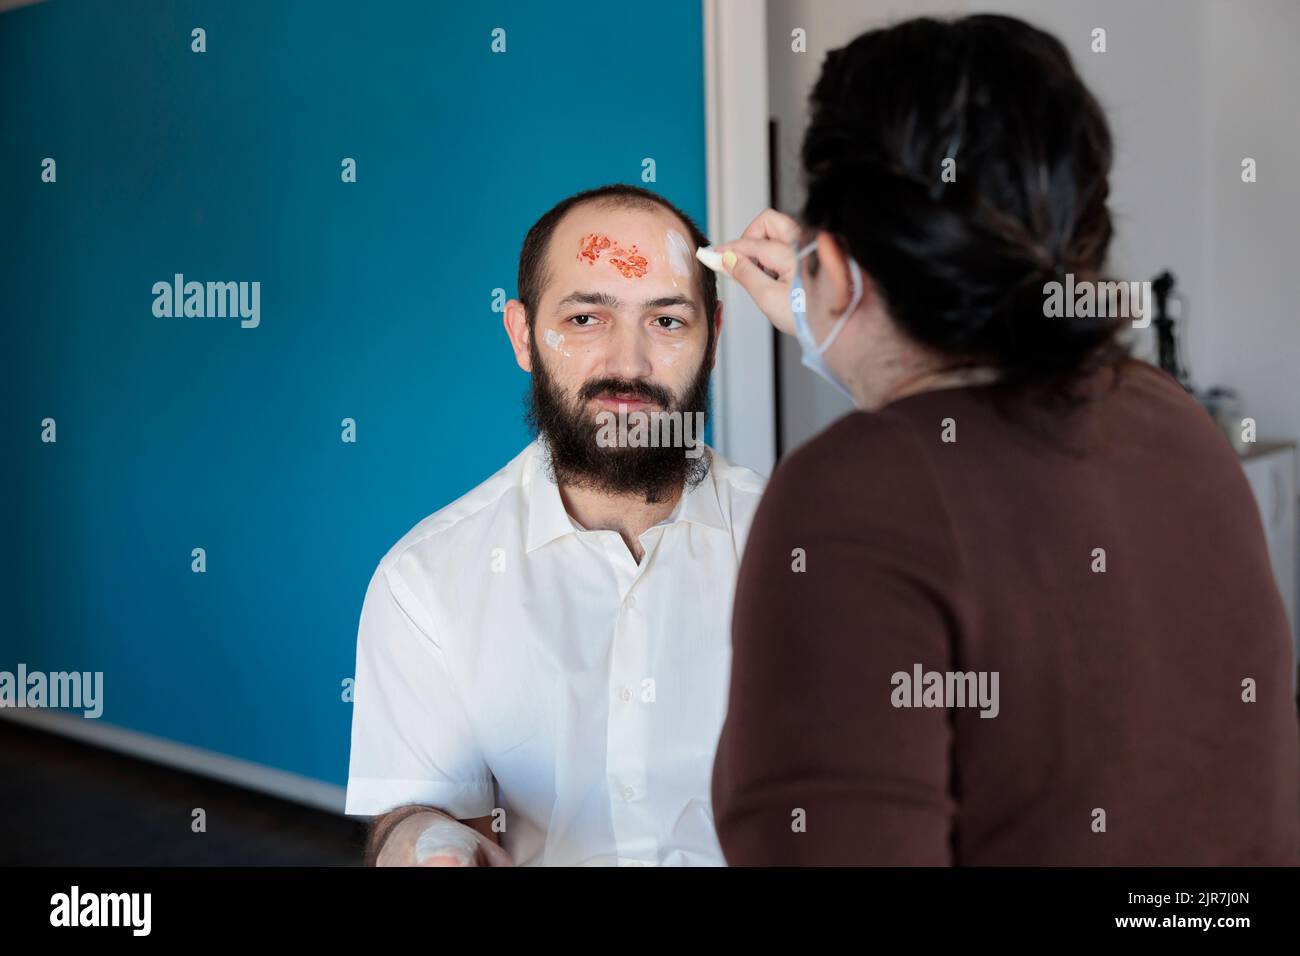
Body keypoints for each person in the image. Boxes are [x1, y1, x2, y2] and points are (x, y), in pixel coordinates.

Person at [708, 14, 1299, 865]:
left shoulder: (846, 502)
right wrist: (839, 311)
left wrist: (838, 314)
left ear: (833, 268)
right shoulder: (1173, 423)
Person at [345, 183, 766, 866]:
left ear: (713, 337)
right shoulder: (424, 579)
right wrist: (426, 843)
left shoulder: (804, 551)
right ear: (522, 336)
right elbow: (424, 814)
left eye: (666, 321)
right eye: (585, 319)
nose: (628, 364)